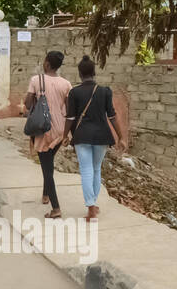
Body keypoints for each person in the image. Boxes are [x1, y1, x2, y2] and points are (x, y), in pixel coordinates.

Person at [62, 55, 124, 220]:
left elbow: (70, 118)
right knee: (96, 169)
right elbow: (112, 116)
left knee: (86, 170)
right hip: (102, 136)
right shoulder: (105, 91)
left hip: (82, 136)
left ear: (80, 74)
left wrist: (65, 135)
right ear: (94, 72)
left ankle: (90, 206)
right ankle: (93, 204)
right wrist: (121, 137)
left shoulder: (74, 93)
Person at [23, 51, 71, 218]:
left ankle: (56, 208)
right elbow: (68, 108)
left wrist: (34, 96)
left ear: (48, 64)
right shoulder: (66, 84)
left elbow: (28, 105)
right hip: (60, 129)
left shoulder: (36, 80)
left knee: (47, 169)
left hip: (44, 128)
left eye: (44, 61)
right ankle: (45, 194)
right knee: (48, 162)